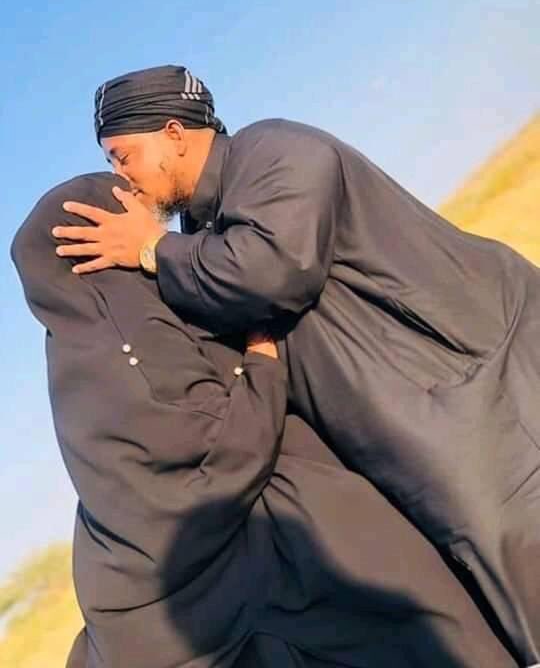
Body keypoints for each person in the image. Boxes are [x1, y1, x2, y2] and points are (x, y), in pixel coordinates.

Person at [53, 66, 540, 664]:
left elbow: (272, 270)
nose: (120, 175)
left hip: (480, 385)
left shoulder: (275, 151)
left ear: (174, 133)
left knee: (519, 554)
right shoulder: (202, 228)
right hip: (413, 426)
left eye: (123, 156)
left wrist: (151, 249)